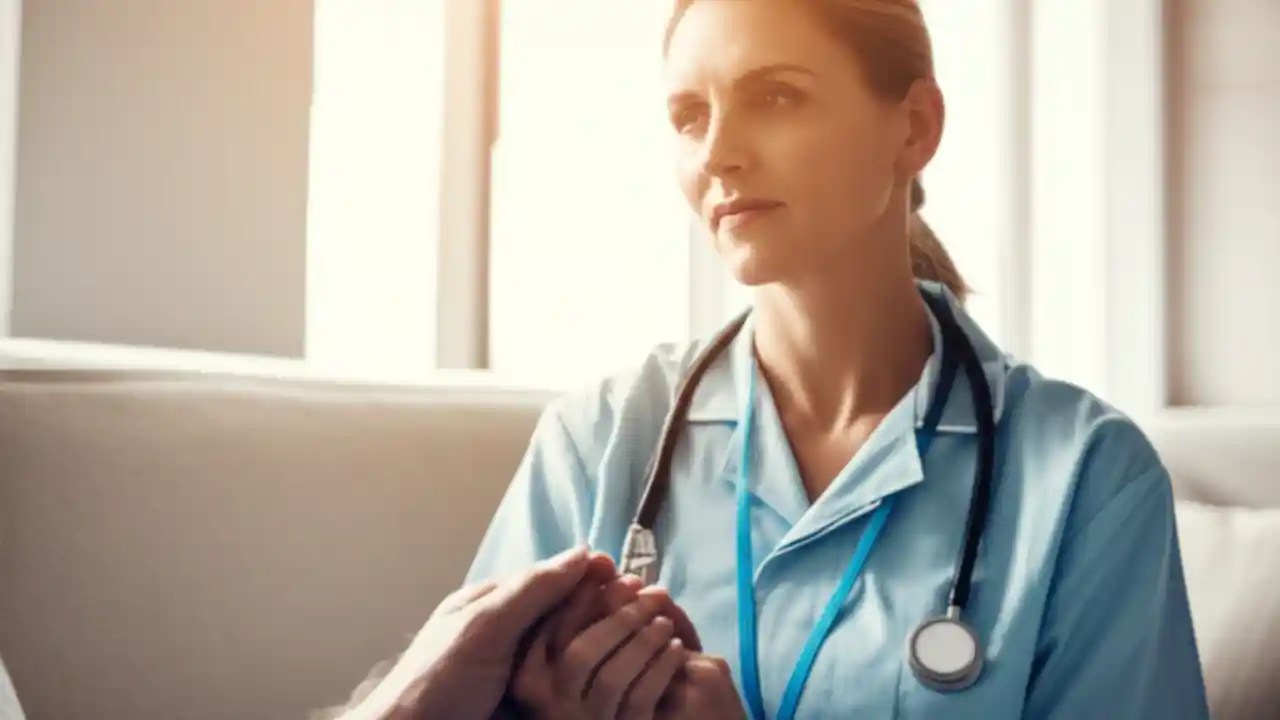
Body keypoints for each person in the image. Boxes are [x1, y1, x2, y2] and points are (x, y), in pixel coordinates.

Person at [349, 0, 1209, 717]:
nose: (718, 152)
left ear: (913, 127)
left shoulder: (1087, 481)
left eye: (776, 98)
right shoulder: (601, 440)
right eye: (690, 116)